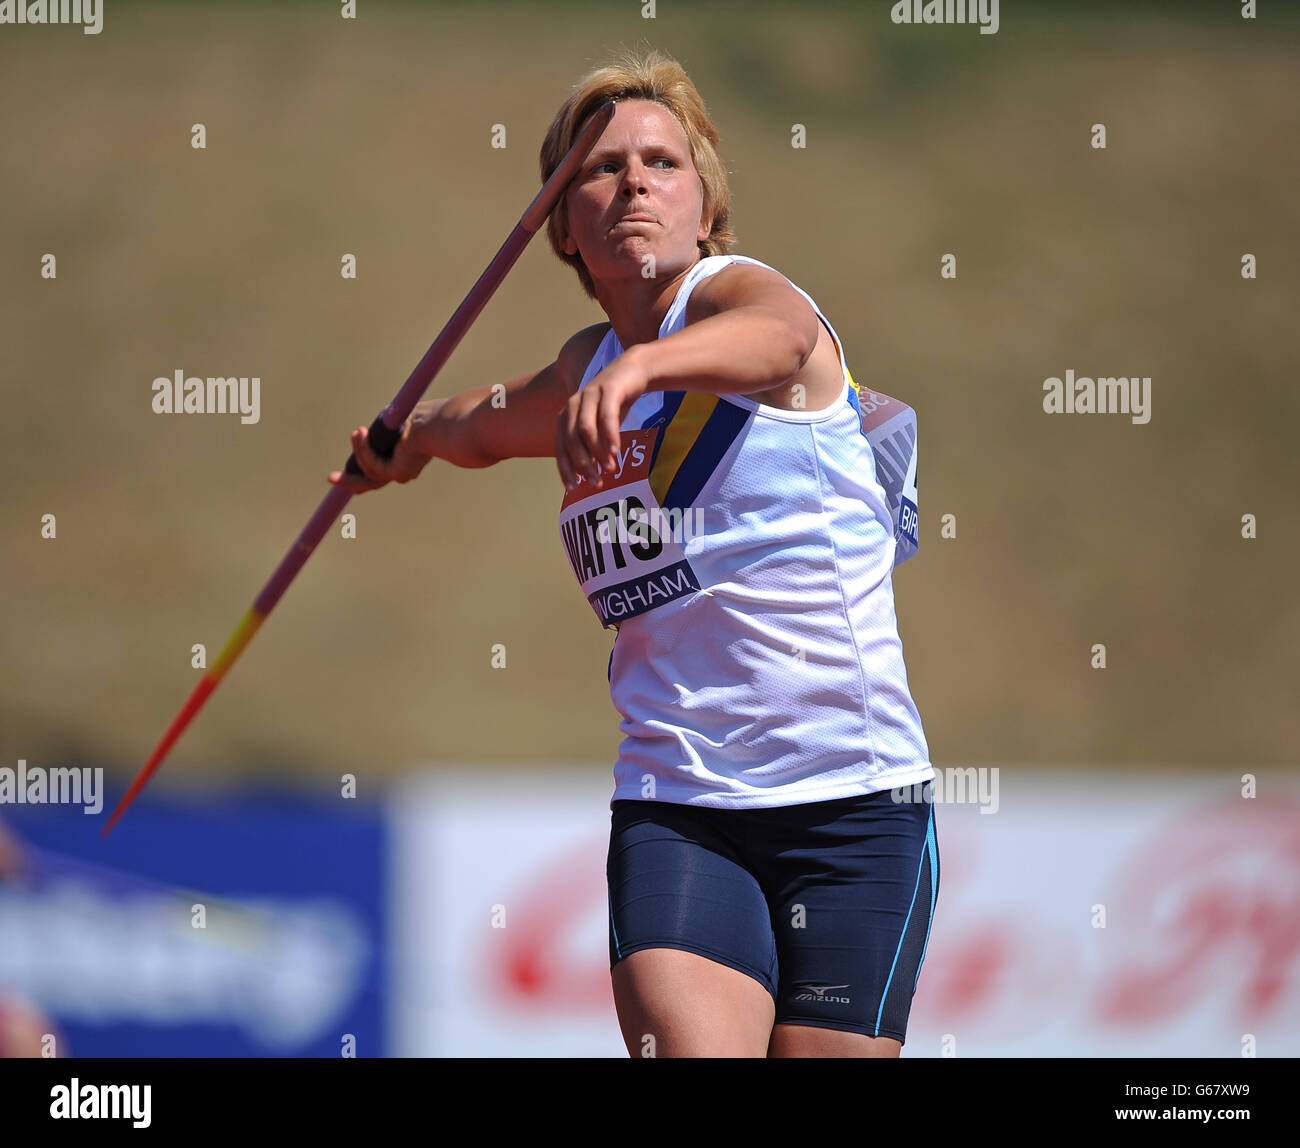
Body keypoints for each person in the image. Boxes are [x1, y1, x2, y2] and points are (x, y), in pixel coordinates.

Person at [330, 48, 939, 1059]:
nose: (632, 184)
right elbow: (480, 421)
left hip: (854, 810)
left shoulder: (744, 301)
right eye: (600, 170)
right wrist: (402, 445)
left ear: (704, 205)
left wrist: (651, 365)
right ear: (562, 225)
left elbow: (780, 337)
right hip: (680, 804)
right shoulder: (587, 367)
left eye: (661, 162)